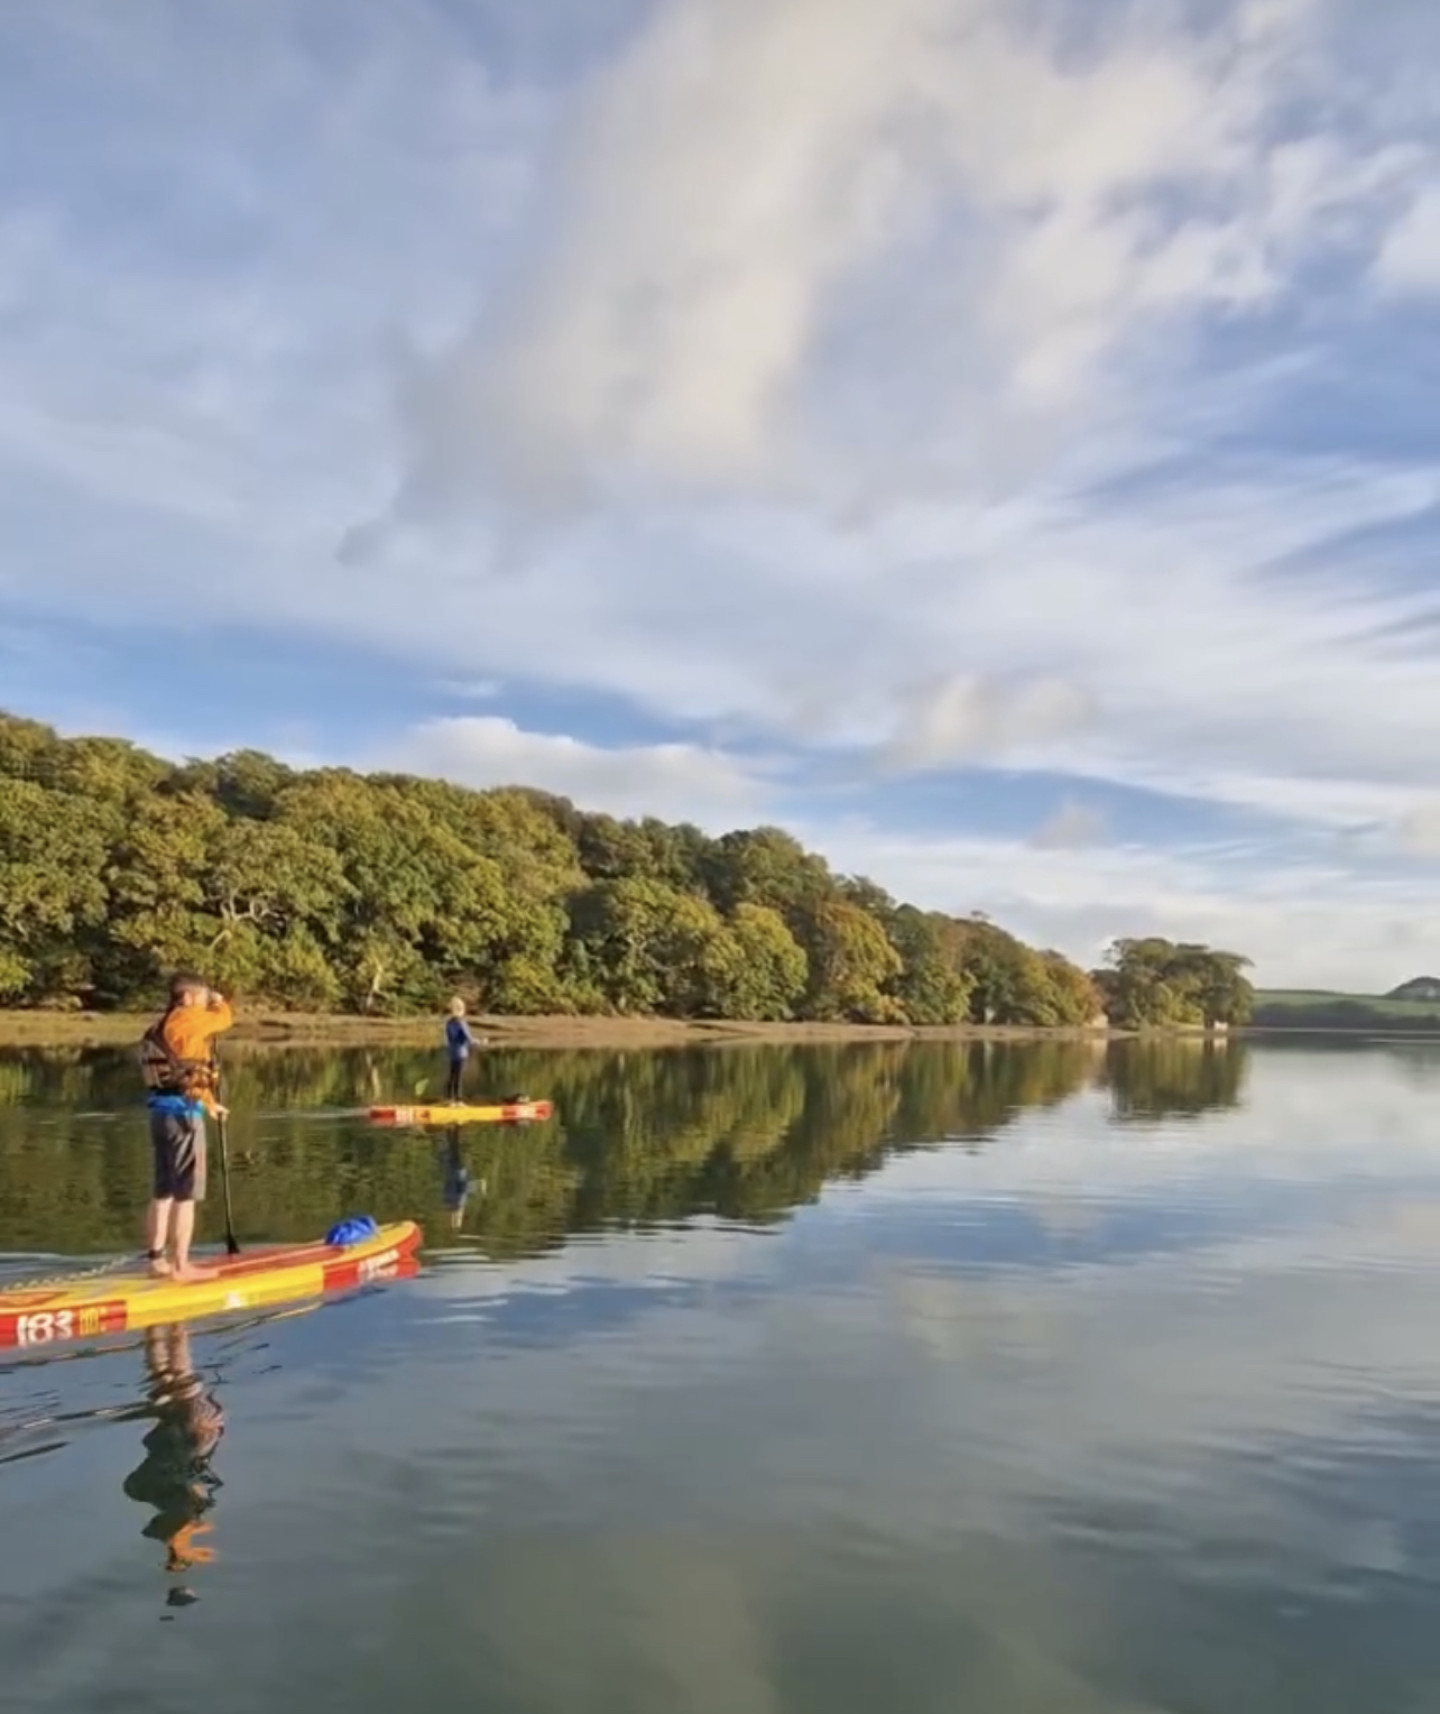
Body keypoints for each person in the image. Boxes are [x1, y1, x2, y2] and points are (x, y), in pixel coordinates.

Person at [139, 973, 235, 1281]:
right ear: (189, 999)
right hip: (183, 1118)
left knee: (163, 1191)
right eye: (203, 999)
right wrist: (220, 1002)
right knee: (186, 1194)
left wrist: (209, 1104)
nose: (206, 1004)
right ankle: (181, 1266)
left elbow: (184, 1072)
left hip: (161, 1114)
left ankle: (156, 1262)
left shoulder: (160, 1027)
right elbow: (224, 1019)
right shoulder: (190, 1020)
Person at [443, 996, 478, 1104]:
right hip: (461, 1053)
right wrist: (480, 1042)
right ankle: (459, 1100)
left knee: (452, 1076)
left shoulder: (449, 1022)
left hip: (452, 1053)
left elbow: (449, 1038)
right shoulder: (461, 1023)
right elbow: (468, 1038)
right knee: (458, 1077)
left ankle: (449, 1099)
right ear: (461, 1009)